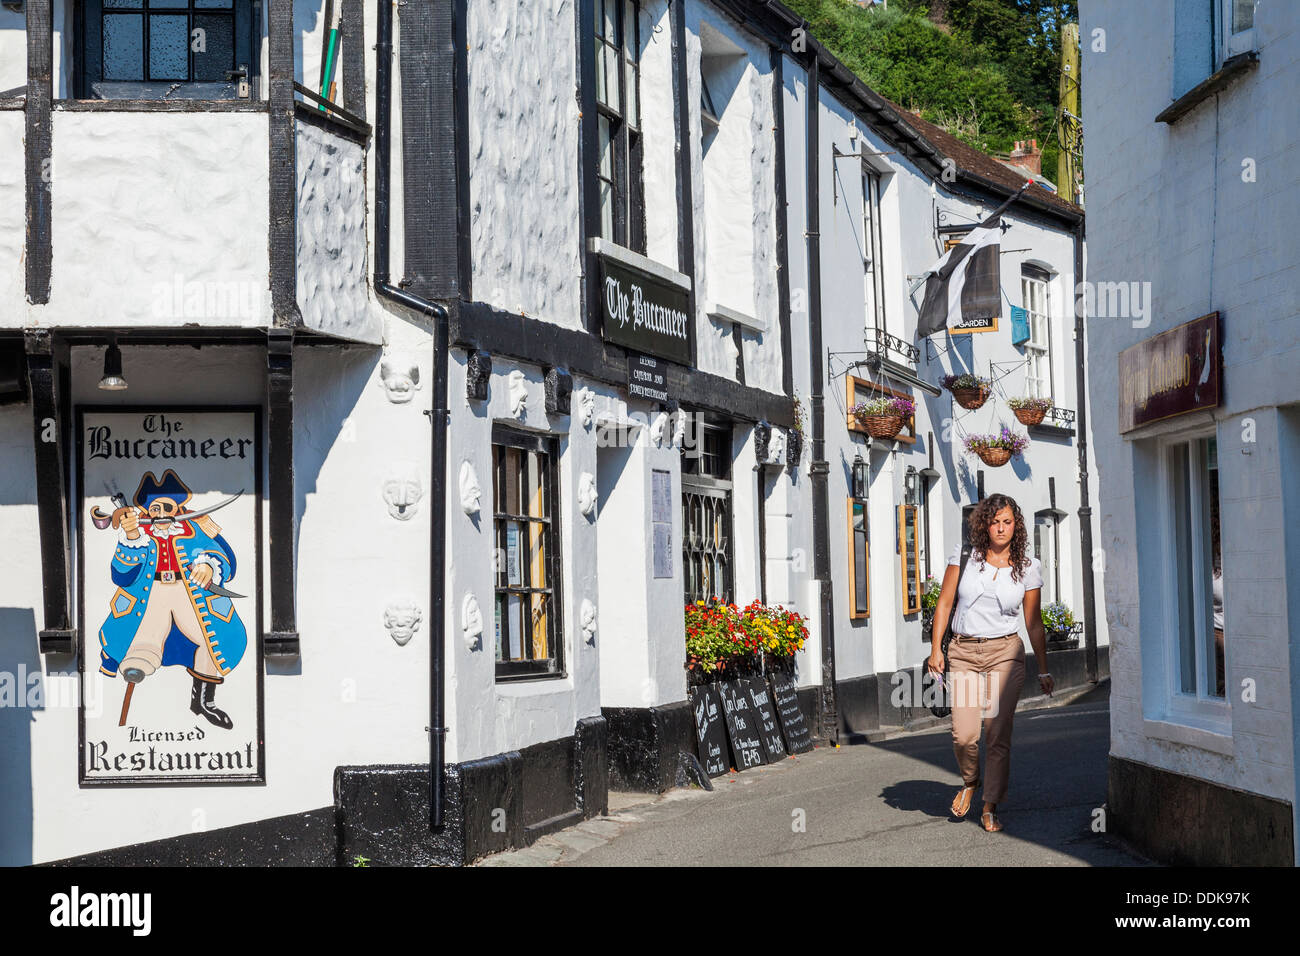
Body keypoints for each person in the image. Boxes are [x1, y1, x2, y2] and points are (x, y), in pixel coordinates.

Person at [927, 494, 1052, 832]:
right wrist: (936, 649)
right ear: (984, 524)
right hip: (964, 652)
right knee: (965, 736)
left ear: (1016, 525)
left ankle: (990, 804)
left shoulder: (1028, 567)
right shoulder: (965, 556)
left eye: (1007, 522)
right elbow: (944, 604)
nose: (1001, 528)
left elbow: (1034, 622)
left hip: (1005, 654)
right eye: (995, 521)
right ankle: (970, 781)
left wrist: (1043, 667)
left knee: (997, 732)